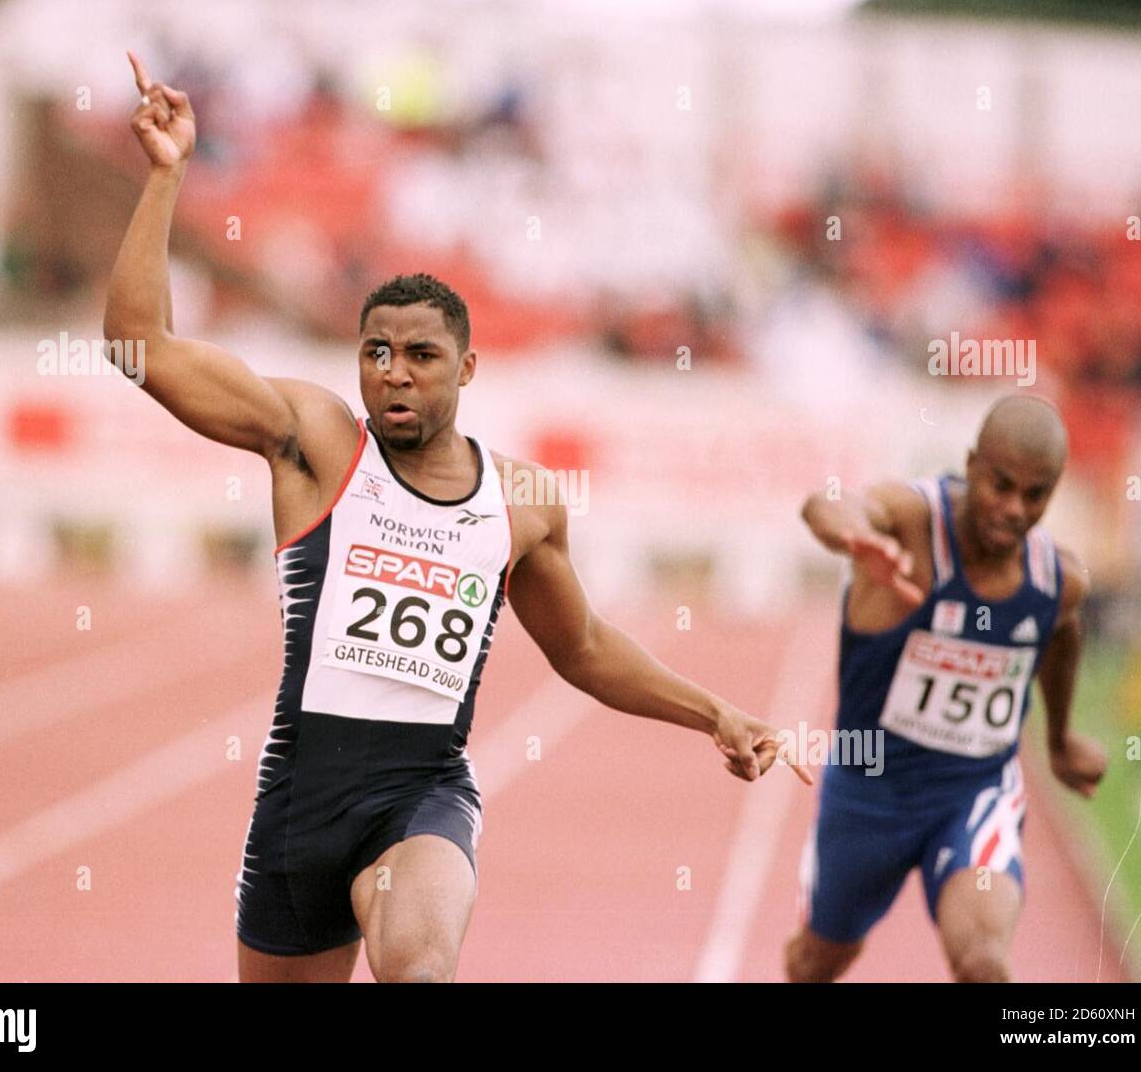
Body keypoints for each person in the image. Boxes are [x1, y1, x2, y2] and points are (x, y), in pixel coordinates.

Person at [104, 54, 810, 984]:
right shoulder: (315, 443)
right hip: (297, 806)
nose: (394, 370)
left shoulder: (520, 503)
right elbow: (136, 348)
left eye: (422, 355)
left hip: (420, 797)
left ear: (468, 370)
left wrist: (715, 712)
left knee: (420, 967)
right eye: (377, 351)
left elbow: (585, 647)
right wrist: (166, 177)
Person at [785, 394, 1107, 983]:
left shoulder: (1057, 580)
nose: (1013, 509)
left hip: (973, 791)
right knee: (815, 964)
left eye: (1035, 495)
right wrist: (859, 539)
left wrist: (1059, 740)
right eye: (1000, 485)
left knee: (984, 963)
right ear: (971, 464)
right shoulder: (912, 523)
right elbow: (826, 505)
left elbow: (1061, 634)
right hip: (867, 792)